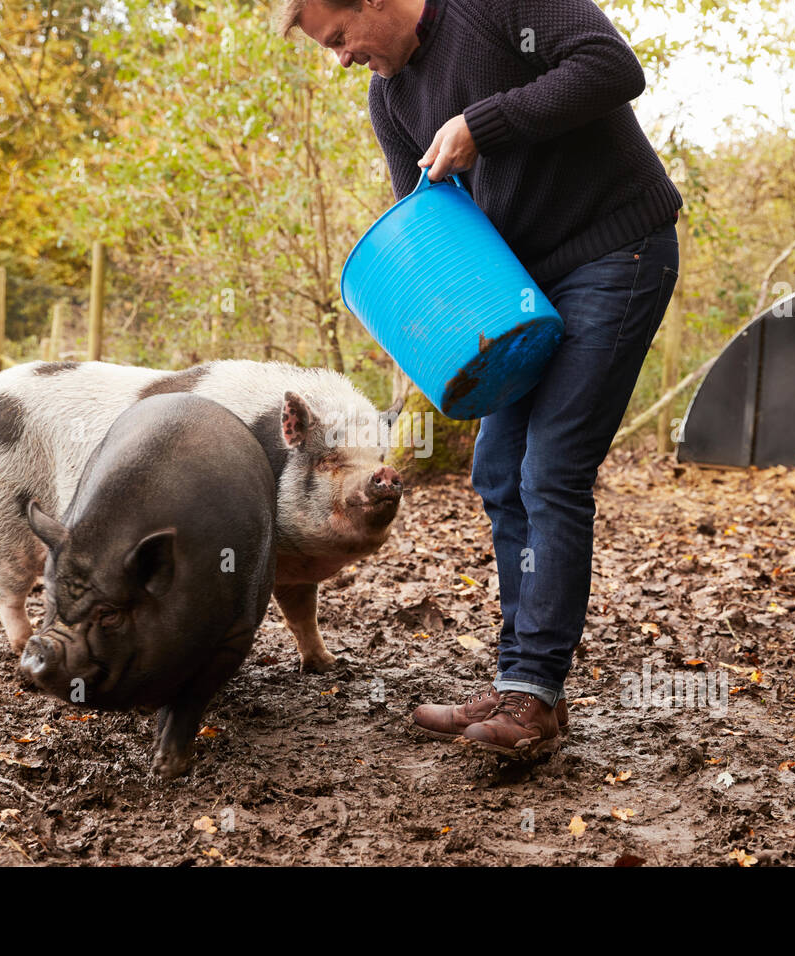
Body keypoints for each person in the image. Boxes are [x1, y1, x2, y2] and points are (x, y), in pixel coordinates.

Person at [279, 0, 682, 757]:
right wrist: (428, 336)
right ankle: (519, 684)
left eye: (339, 38)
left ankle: (533, 694)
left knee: (552, 470)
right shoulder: (390, 98)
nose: (339, 59)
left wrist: (482, 124)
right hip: (516, 293)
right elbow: (429, 228)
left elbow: (612, 68)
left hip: (616, 251)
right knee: (498, 473)